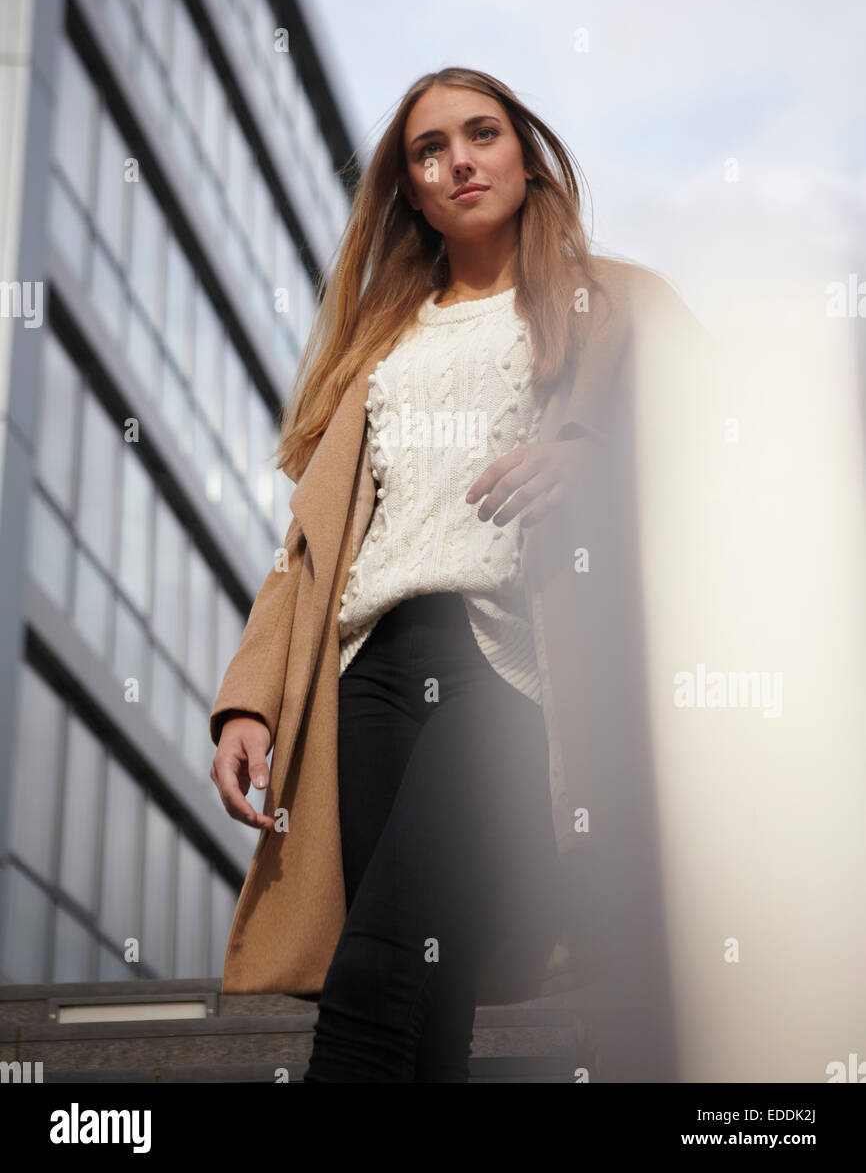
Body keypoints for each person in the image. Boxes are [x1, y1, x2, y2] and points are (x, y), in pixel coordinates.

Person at [209, 66, 712, 1082]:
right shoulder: (380, 343)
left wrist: (590, 458)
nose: (457, 161)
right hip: (371, 672)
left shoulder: (612, 301)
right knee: (427, 993)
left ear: (523, 151)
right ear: (411, 188)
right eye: (428, 150)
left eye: (480, 134)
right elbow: (309, 547)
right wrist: (248, 702)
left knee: (376, 966)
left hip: (511, 667)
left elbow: (722, 440)